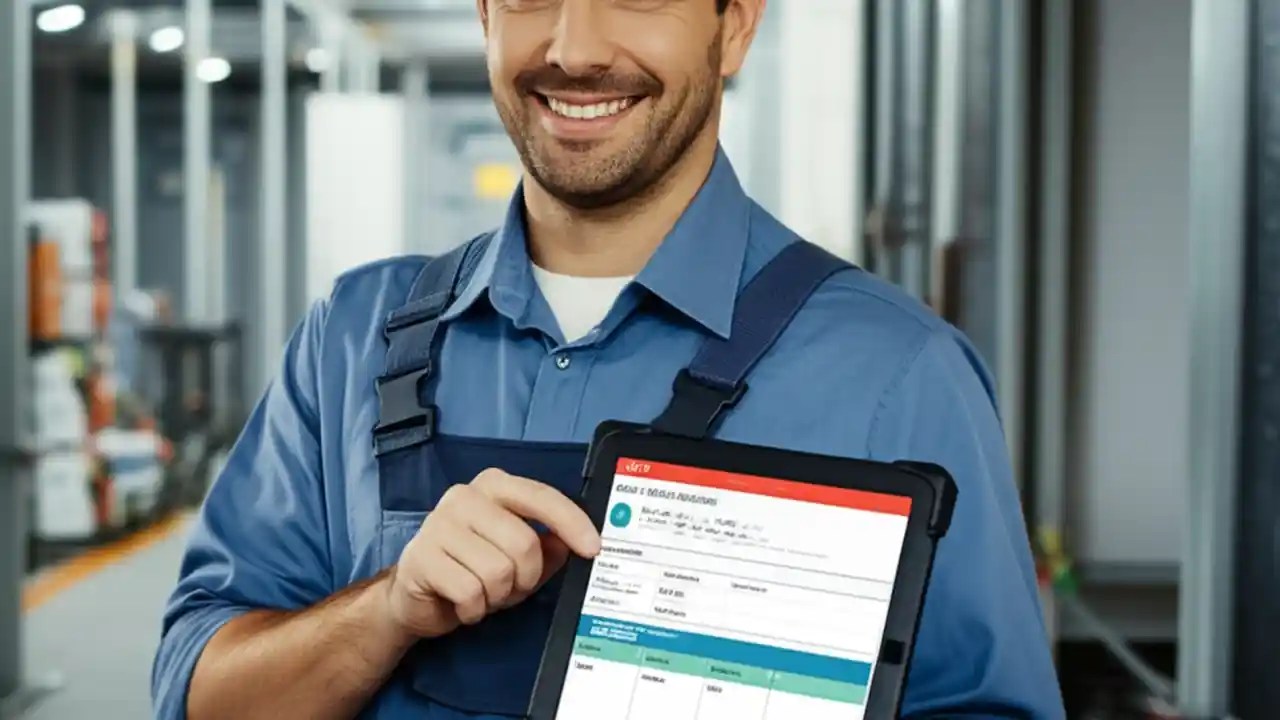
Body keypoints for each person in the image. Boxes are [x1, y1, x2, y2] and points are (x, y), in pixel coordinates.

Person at [152, 0, 1064, 718]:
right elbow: (198, 692)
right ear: (483, 17)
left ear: (734, 25)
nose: (575, 46)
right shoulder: (351, 337)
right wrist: (387, 612)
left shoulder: (894, 373)